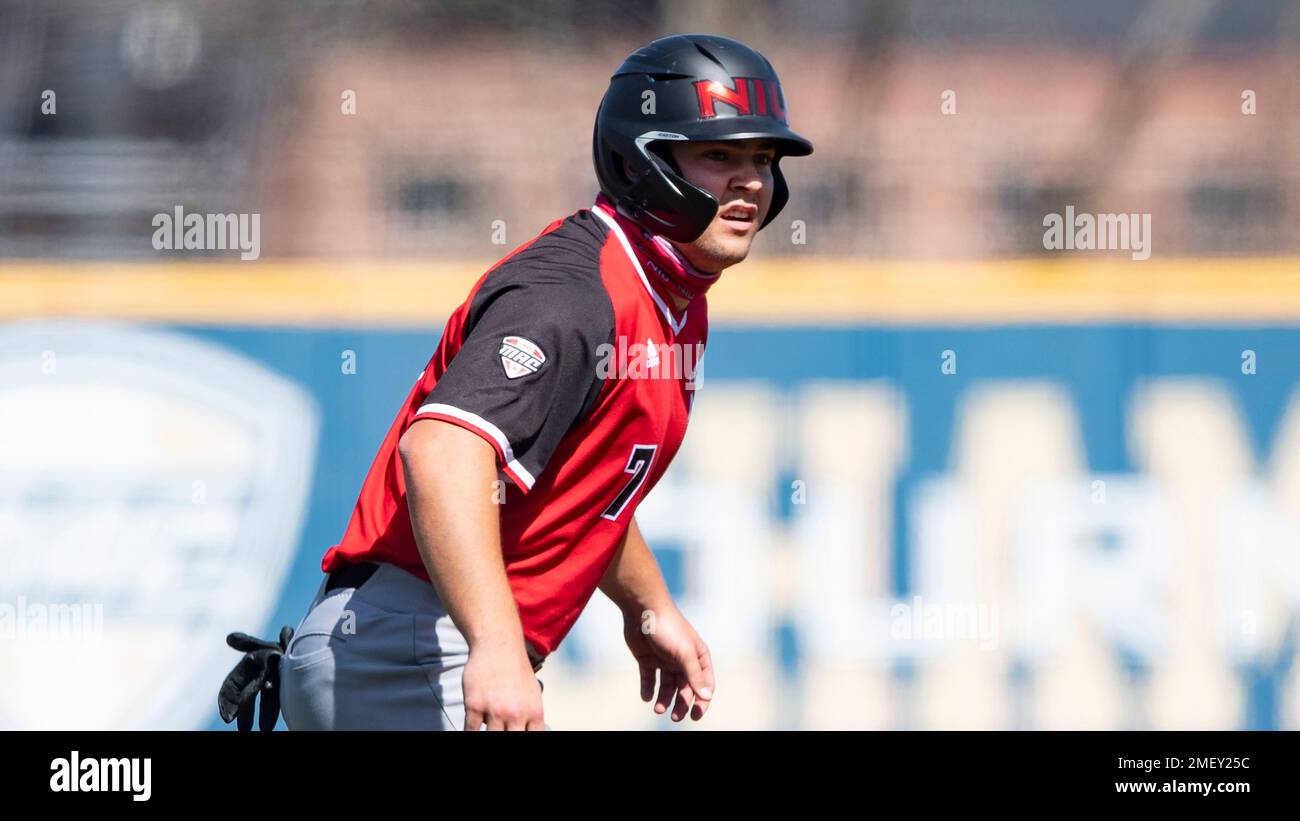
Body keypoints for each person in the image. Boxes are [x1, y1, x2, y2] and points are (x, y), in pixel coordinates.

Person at [220, 32, 813, 731]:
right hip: (404, 644)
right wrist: (496, 647)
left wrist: (646, 604)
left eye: (761, 159)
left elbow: (582, 484)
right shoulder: (574, 292)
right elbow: (440, 451)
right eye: (719, 154)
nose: (750, 180)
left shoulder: (669, 298)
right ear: (639, 159)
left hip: (418, 644)